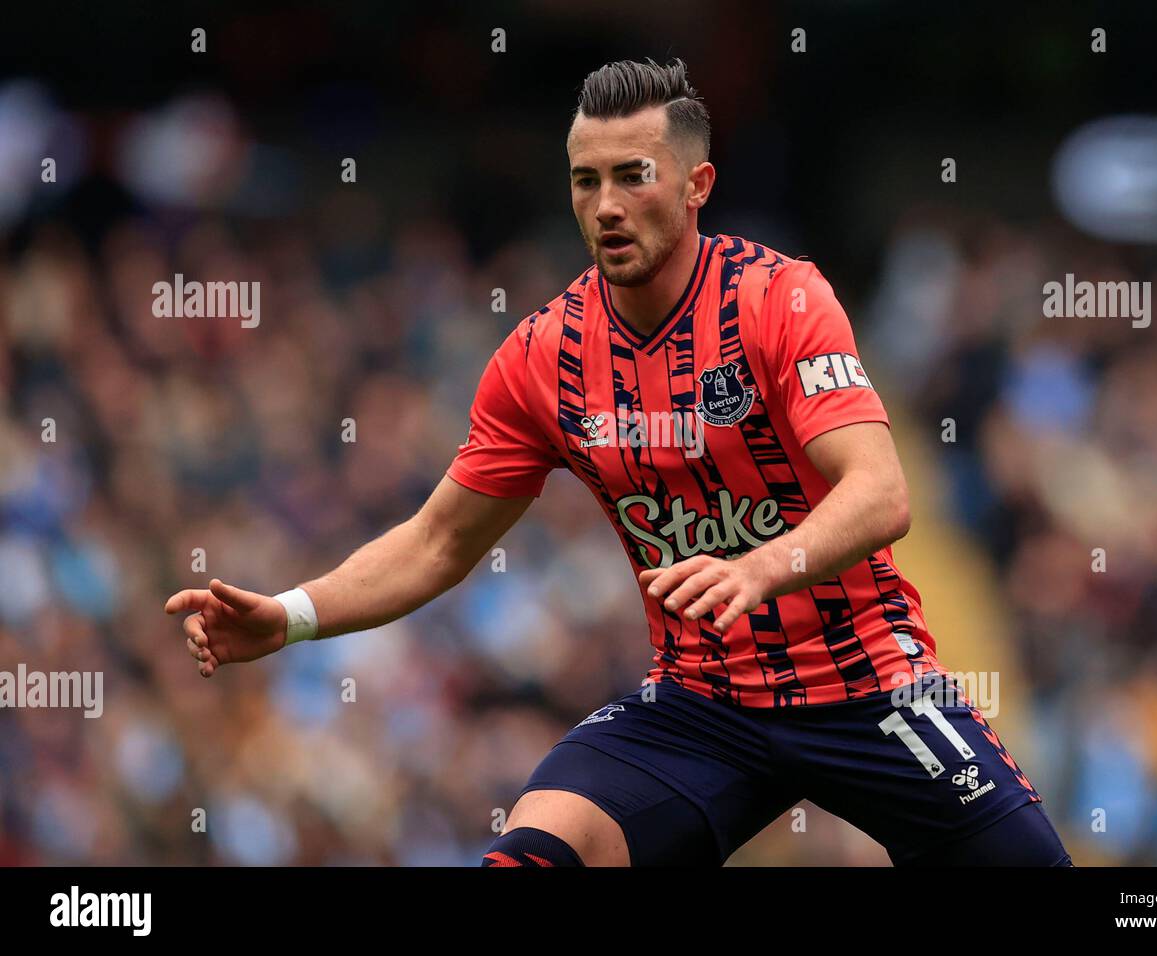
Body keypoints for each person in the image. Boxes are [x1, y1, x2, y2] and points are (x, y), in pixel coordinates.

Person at [165, 58, 1072, 868]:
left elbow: (880, 493)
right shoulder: (541, 357)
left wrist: (758, 569)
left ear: (694, 184)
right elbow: (439, 541)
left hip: (867, 683)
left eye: (633, 176)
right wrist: (289, 617)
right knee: (533, 851)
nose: (605, 205)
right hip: (701, 702)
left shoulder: (779, 299)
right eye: (585, 180)